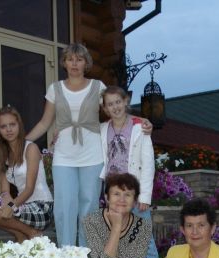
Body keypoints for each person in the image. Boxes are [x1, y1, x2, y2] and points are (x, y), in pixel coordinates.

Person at [25, 43, 152, 247]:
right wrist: (24, 143)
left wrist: (140, 121)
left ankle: (85, 254)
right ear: (64, 63)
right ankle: (66, 253)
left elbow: (115, 110)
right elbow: (44, 122)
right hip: (64, 157)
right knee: (64, 206)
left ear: (86, 63)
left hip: (93, 155)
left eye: (79, 59)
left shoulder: (97, 86)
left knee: (89, 206)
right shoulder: (55, 89)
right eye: (70, 59)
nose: (74, 63)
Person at [100, 85, 168, 258]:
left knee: (146, 245)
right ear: (105, 108)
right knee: (117, 244)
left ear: (125, 101)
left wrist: (145, 196)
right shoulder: (102, 129)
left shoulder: (140, 127)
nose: (115, 107)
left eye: (118, 102)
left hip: (134, 194)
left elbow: (148, 164)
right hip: (113, 197)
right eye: (110, 104)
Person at [0, 106, 53, 242]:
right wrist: (5, 198)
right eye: (3, 126)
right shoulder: (5, 155)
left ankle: (32, 233)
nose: (8, 129)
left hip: (41, 206)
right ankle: (19, 233)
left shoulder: (30, 148)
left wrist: (11, 206)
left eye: (12, 124)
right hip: (21, 205)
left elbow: (29, 189)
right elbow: (4, 191)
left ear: (19, 125)